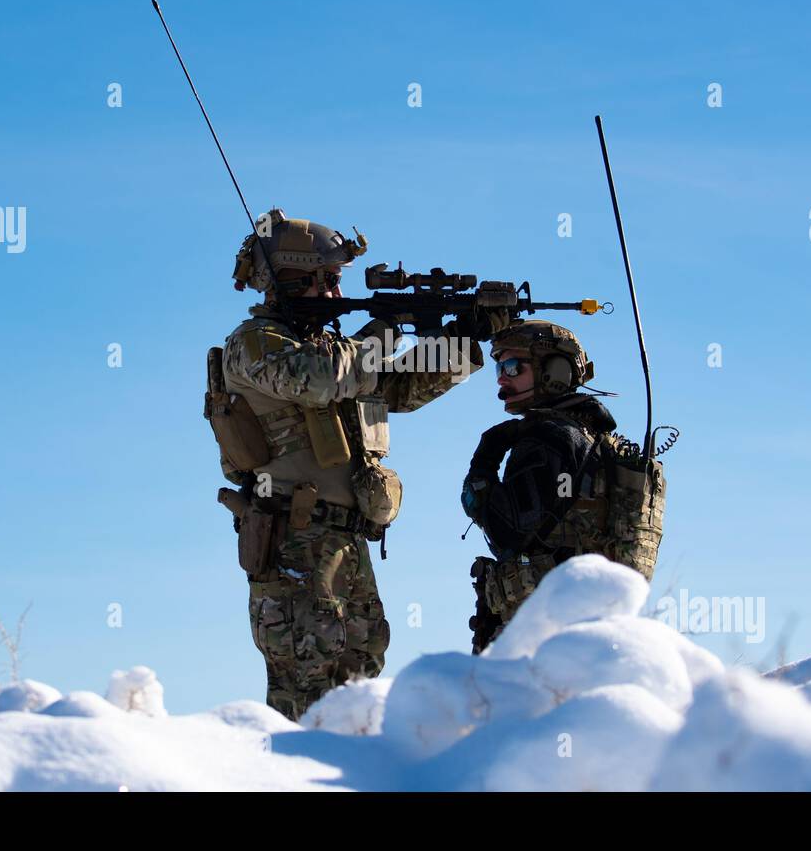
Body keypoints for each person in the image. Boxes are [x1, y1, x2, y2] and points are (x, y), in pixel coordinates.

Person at [207, 208, 505, 718]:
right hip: (293, 540)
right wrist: (386, 328)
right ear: (296, 279)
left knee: (360, 684)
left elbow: (399, 387)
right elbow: (319, 379)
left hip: (347, 540)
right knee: (307, 687)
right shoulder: (254, 345)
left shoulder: (336, 351)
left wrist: (462, 339)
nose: (338, 297)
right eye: (329, 282)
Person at [460, 319, 665, 653]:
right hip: (576, 628)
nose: (501, 377)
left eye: (513, 366)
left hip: (539, 633)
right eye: (499, 366)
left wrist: (485, 458)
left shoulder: (548, 438)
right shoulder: (591, 437)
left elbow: (506, 528)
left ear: (554, 371)